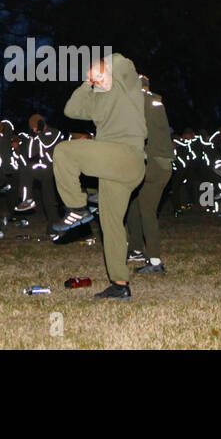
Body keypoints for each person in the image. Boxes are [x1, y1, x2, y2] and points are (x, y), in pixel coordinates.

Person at [52, 53, 147, 300]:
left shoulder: (126, 84)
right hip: (112, 167)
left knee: (63, 151)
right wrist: (87, 83)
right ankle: (120, 284)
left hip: (128, 156)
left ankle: (76, 207)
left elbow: (123, 61)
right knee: (111, 224)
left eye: (102, 75)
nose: (100, 80)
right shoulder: (96, 99)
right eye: (96, 79)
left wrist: (102, 66)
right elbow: (70, 109)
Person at [127, 76, 171, 273]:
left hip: (152, 163)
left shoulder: (141, 102)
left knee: (143, 208)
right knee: (136, 203)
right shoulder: (155, 102)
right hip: (163, 164)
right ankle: (137, 249)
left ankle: (154, 261)